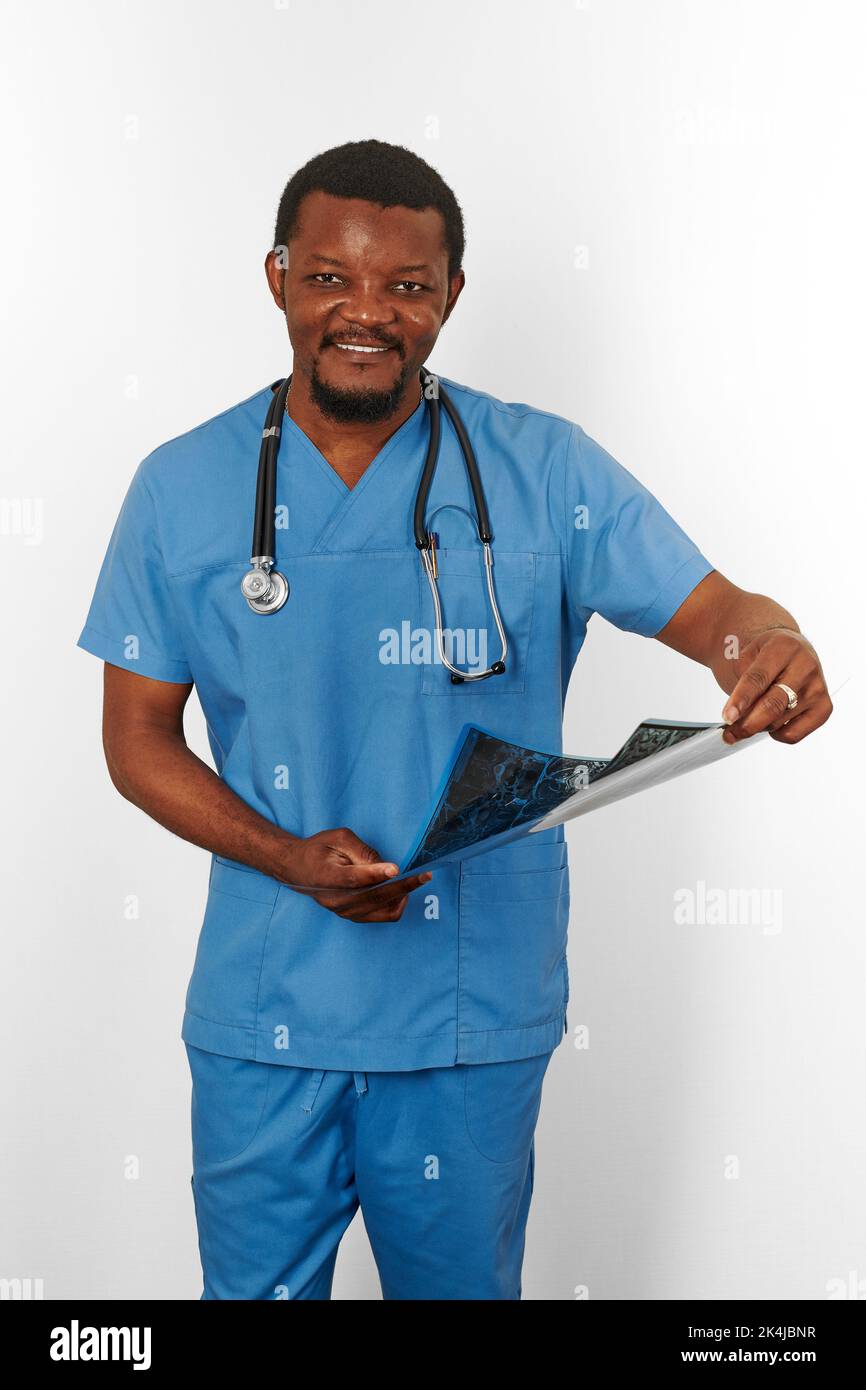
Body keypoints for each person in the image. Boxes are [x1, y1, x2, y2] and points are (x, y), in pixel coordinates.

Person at [77, 139, 832, 1301]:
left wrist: (764, 650)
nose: (366, 312)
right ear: (278, 277)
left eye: (407, 286)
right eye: (330, 277)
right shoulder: (179, 486)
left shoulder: (541, 470)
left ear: (450, 297)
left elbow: (720, 611)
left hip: (468, 1016)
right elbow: (135, 739)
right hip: (265, 1019)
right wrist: (284, 855)